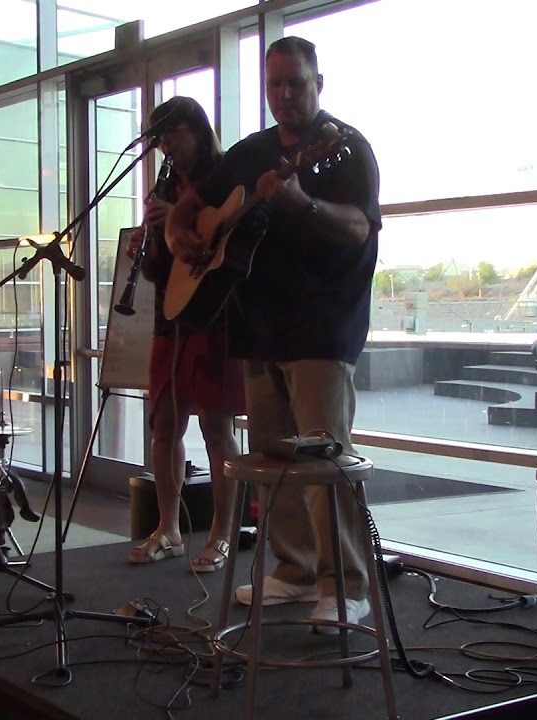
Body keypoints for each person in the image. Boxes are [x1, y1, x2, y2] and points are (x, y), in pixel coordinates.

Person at [166, 37, 381, 626]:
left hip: (321, 327)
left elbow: (359, 229)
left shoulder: (347, 150)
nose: (285, 94)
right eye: (275, 84)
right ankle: (294, 569)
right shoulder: (248, 152)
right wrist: (179, 233)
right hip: (259, 326)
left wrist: (301, 203)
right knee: (274, 461)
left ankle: (347, 585)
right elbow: (190, 206)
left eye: (297, 83)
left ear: (319, 83)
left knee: (323, 462)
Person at [126, 96, 245, 573]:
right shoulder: (166, 183)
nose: (167, 147)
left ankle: (222, 533)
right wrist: (150, 241)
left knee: (216, 427)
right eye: (160, 138)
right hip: (169, 320)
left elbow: (228, 246)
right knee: (164, 426)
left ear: (197, 130)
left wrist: (179, 216)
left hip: (213, 315)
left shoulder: (224, 175)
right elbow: (159, 271)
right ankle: (169, 528)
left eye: (173, 134)